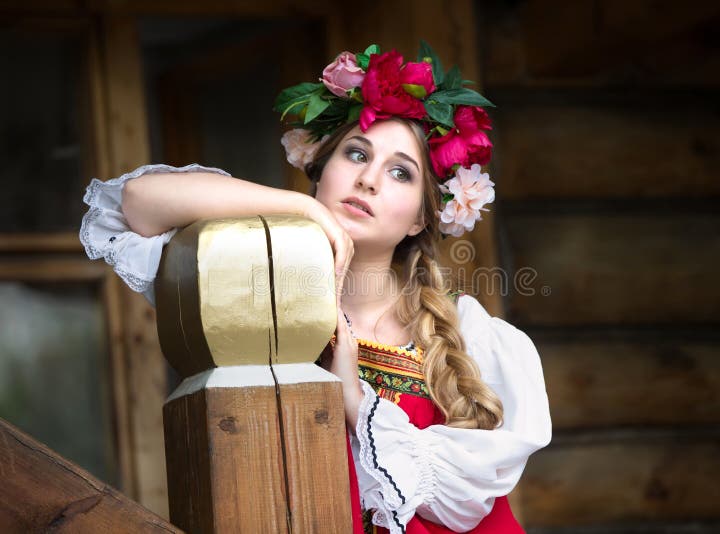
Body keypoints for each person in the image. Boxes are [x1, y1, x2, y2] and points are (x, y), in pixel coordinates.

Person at [79, 42, 551, 534]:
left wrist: (354, 401)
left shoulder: (467, 331)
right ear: (321, 170)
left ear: (420, 218)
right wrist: (302, 208)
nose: (368, 180)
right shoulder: (259, 291)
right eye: (356, 154)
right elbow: (138, 200)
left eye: (400, 173)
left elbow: (467, 505)